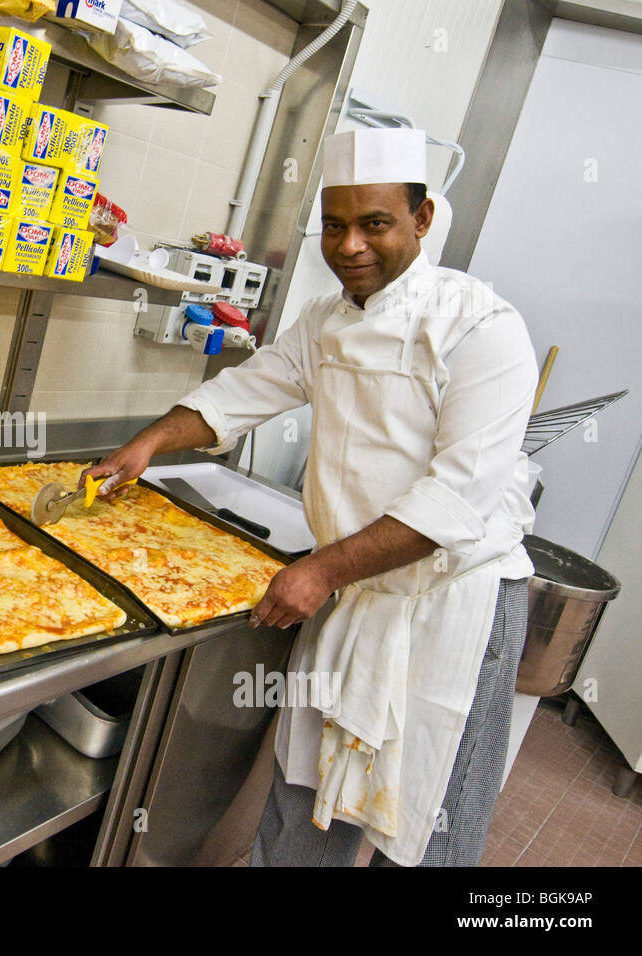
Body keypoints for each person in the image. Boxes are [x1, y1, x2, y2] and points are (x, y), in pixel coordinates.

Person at [84, 127, 539, 866]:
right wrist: (149, 442)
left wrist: (322, 571)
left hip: (449, 606)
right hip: (356, 591)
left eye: (375, 224)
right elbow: (240, 393)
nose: (350, 245)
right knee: (304, 808)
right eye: (335, 225)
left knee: (427, 832)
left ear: (422, 221)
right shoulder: (325, 322)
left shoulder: (481, 328)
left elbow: (454, 503)